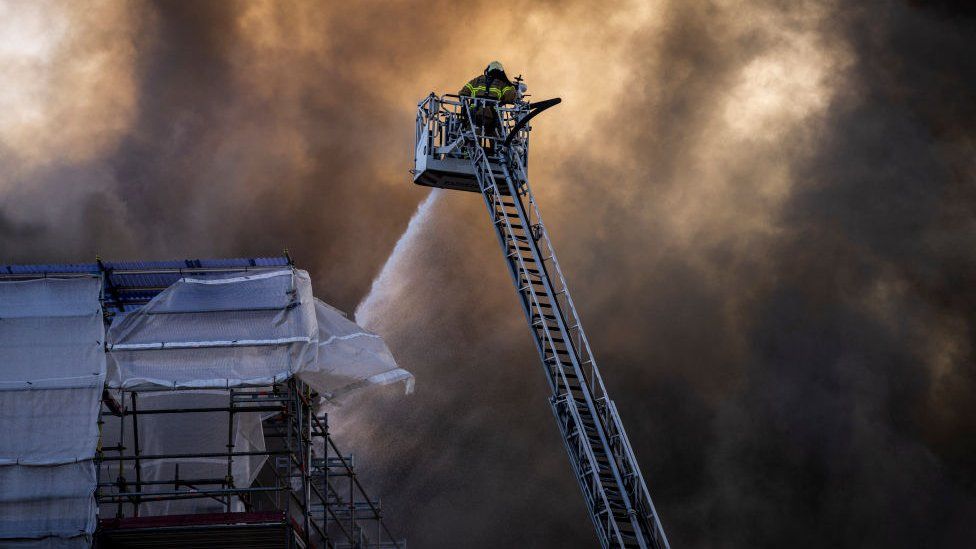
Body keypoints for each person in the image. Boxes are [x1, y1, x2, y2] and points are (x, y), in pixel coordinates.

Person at [458, 61, 517, 148]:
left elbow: (462, 93)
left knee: (472, 133)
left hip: (474, 115)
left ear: (488, 70)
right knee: (497, 136)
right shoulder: (502, 84)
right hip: (493, 116)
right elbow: (510, 97)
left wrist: (465, 106)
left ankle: (470, 151)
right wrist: (513, 87)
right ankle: (497, 152)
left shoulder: (476, 80)